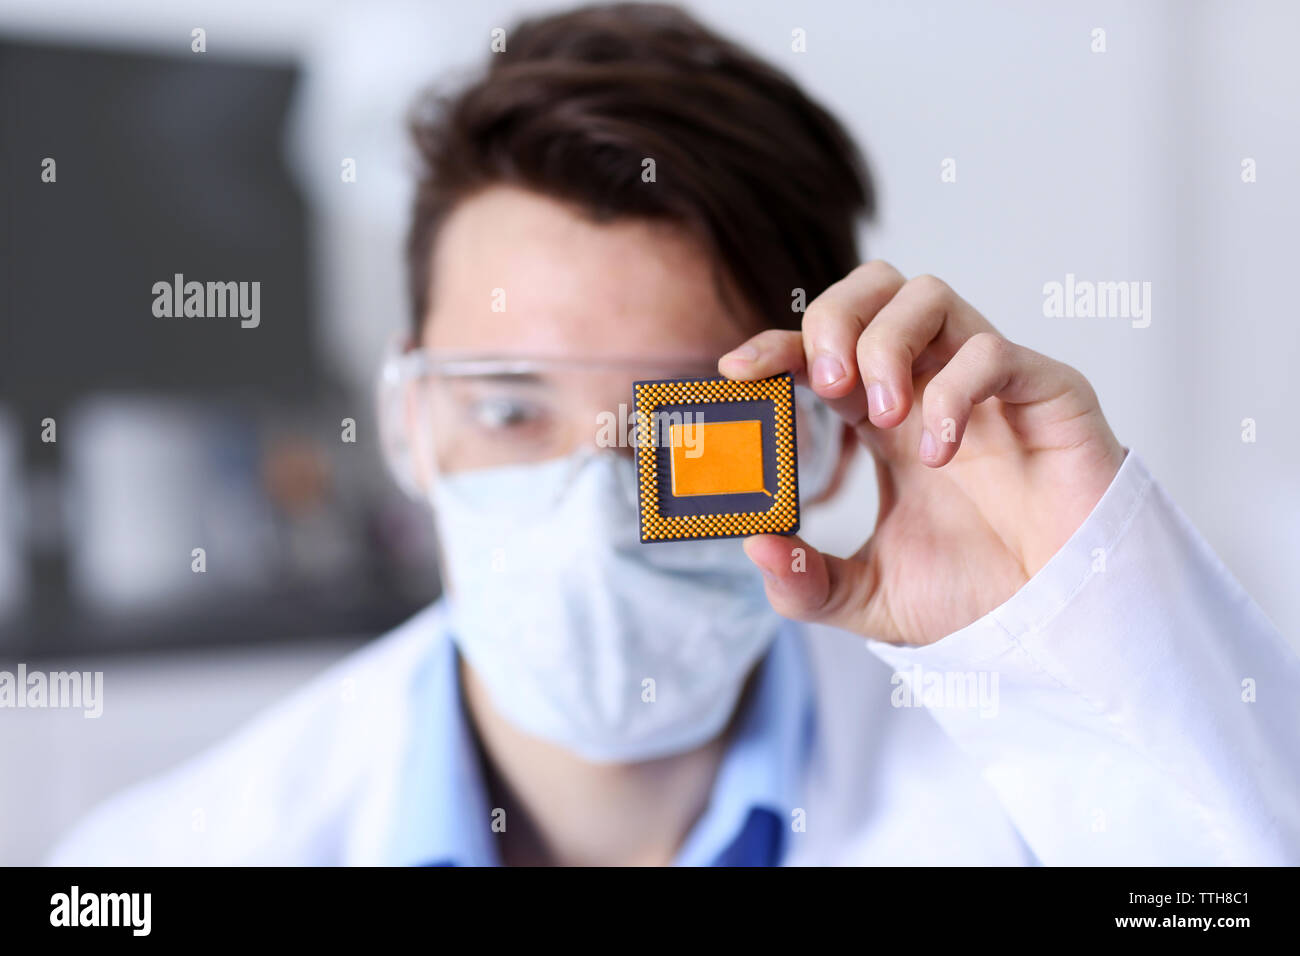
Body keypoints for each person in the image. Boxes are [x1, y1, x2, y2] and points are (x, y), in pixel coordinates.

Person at [51, 2, 1299, 866]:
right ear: (408, 420)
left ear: (817, 438)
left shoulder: (1042, 803)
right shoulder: (163, 860)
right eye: (506, 404)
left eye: (682, 421)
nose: (592, 502)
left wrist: (1087, 621)